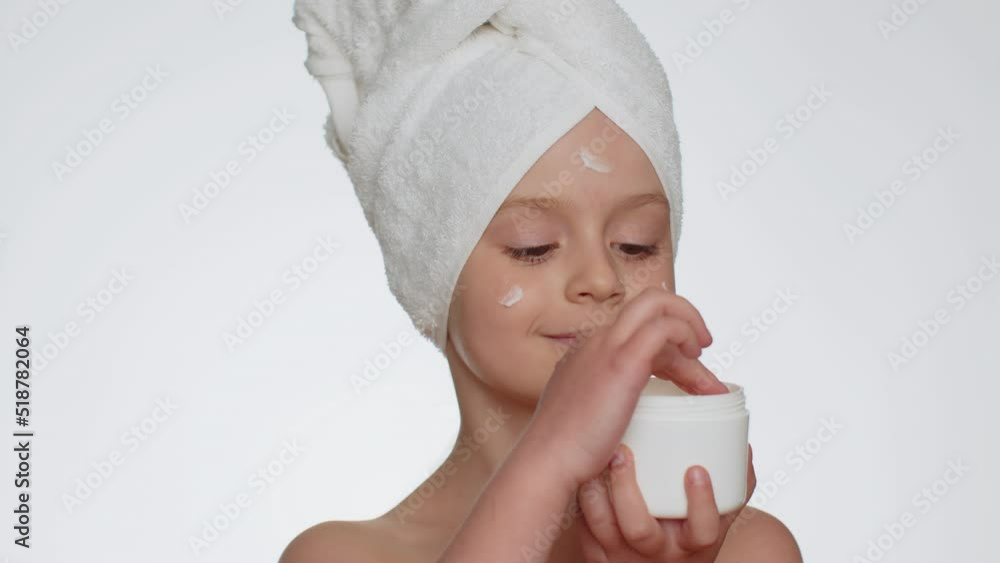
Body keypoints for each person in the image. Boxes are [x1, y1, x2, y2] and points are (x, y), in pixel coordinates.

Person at [278, 106, 802, 562]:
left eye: (635, 245)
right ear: (432, 273)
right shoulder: (337, 556)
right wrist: (553, 455)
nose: (601, 280)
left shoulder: (745, 549)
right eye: (533, 247)